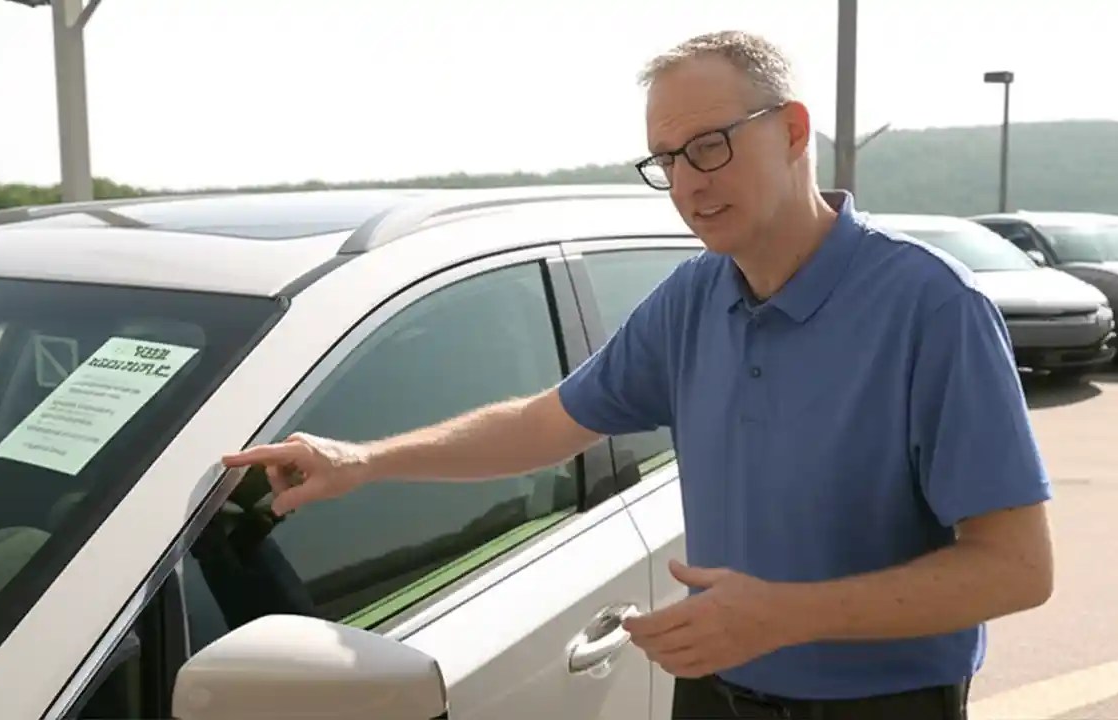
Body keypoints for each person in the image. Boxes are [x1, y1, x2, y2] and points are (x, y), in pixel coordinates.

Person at [221, 30, 1054, 720]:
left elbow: (1018, 568)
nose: (689, 183)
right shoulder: (694, 297)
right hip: (715, 691)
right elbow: (546, 422)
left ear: (795, 130)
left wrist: (783, 616)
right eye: (666, 159)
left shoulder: (931, 308)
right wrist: (364, 461)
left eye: (709, 146)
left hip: (880, 705)